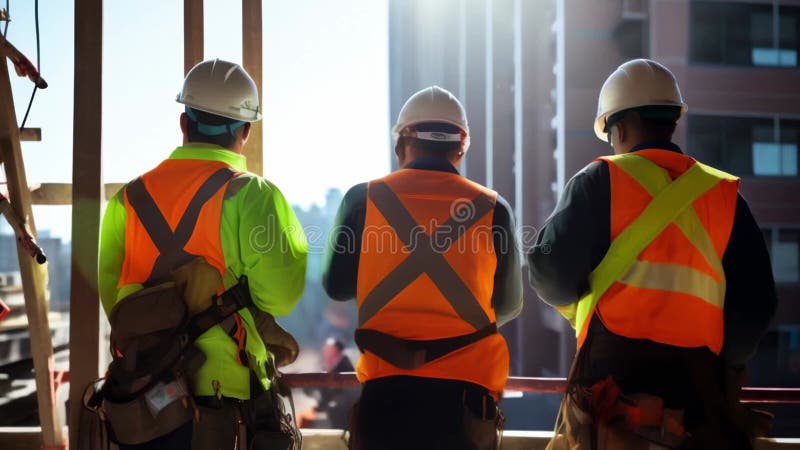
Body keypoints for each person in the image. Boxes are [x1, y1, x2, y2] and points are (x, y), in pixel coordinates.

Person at [528, 59, 777, 449]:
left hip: (614, 400)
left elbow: (550, 275)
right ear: (671, 122)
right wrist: (719, 362)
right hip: (697, 404)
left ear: (619, 128)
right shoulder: (725, 196)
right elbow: (756, 306)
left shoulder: (599, 181)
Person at [98, 59, 308, 450]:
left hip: (147, 403)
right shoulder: (252, 195)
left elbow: (116, 301)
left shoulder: (126, 200)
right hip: (224, 395)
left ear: (184, 123)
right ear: (245, 131)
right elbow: (282, 295)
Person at [323, 86, 523, 450]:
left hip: (385, 398)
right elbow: (508, 304)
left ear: (401, 145)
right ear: (460, 148)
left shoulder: (361, 200)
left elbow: (336, 286)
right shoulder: (494, 208)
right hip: (466, 403)